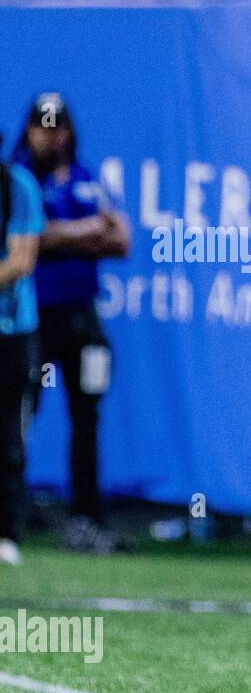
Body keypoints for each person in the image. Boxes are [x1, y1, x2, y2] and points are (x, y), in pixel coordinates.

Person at [15, 93, 130, 554]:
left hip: (82, 319)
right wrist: (85, 233)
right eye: (42, 126)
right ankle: (11, 515)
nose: (50, 135)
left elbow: (121, 240)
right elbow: (30, 237)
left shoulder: (87, 180)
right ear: (29, 131)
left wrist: (58, 236)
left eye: (56, 126)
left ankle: (87, 517)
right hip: (34, 320)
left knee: (88, 417)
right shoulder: (21, 180)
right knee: (19, 416)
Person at [0, 151, 46, 567]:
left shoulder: (19, 188)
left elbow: (21, 261)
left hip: (11, 332)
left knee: (9, 432)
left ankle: (7, 532)